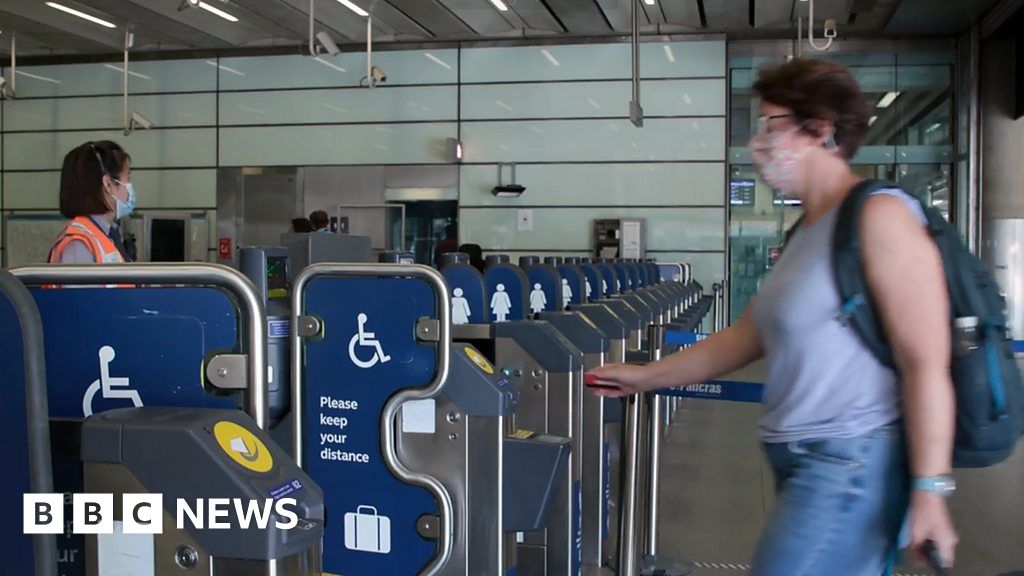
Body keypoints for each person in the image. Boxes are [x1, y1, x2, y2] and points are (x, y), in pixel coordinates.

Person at [588, 58, 957, 576]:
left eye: (771, 124)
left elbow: (926, 363)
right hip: (803, 461)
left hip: (851, 461)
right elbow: (746, 335)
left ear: (821, 130)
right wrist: (646, 377)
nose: (758, 141)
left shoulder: (880, 217)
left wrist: (930, 489)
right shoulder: (807, 230)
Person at [49, 141, 135, 264]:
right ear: (108, 184)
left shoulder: (109, 234)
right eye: (127, 178)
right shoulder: (79, 245)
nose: (129, 187)